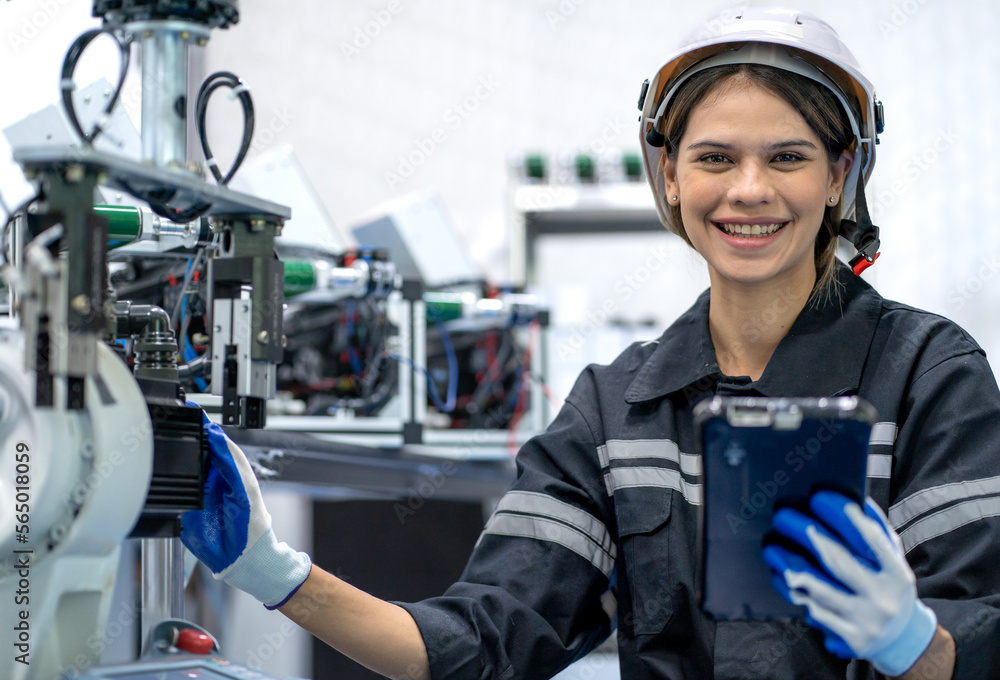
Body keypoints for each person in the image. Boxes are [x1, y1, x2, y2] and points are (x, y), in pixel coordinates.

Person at [180, 7, 1000, 680]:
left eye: (787, 157)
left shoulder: (930, 377)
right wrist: (276, 574)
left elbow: (983, 642)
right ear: (670, 175)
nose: (750, 189)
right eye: (715, 157)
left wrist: (914, 647)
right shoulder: (617, 410)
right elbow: (479, 641)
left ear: (839, 173)